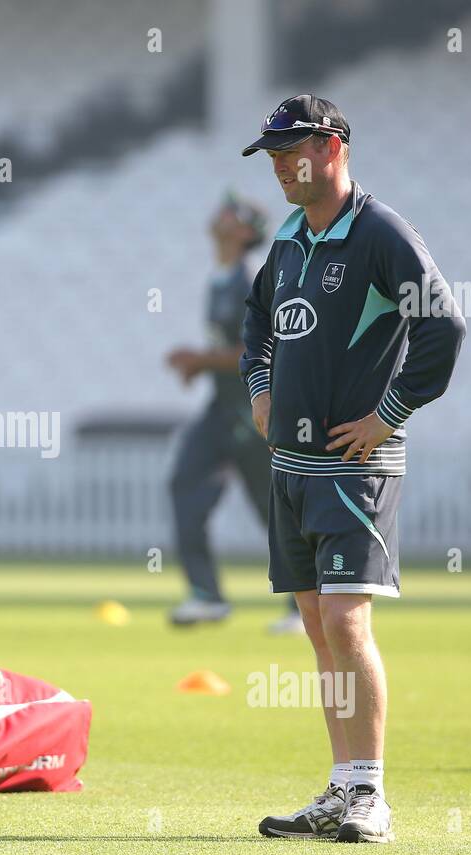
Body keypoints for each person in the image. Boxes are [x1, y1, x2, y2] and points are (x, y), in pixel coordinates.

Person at [238, 94, 465, 842]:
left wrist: (389, 416)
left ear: (332, 146)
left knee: (345, 619)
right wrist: (262, 391)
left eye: (289, 150)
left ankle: (373, 796)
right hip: (292, 471)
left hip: (354, 471)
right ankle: (342, 787)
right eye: (270, 155)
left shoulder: (381, 233)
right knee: (315, 625)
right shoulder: (291, 240)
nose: (277, 166)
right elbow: (256, 323)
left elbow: (444, 324)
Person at [166, 193, 303, 634]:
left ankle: (306, 606)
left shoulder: (249, 281)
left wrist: (202, 361)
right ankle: (206, 596)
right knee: (185, 482)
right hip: (221, 409)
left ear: (245, 232)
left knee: (274, 509)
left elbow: (261, 347)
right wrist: (202, 366)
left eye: (232, 211)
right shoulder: (221, 279)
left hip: (253, 409)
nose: (220, 213)